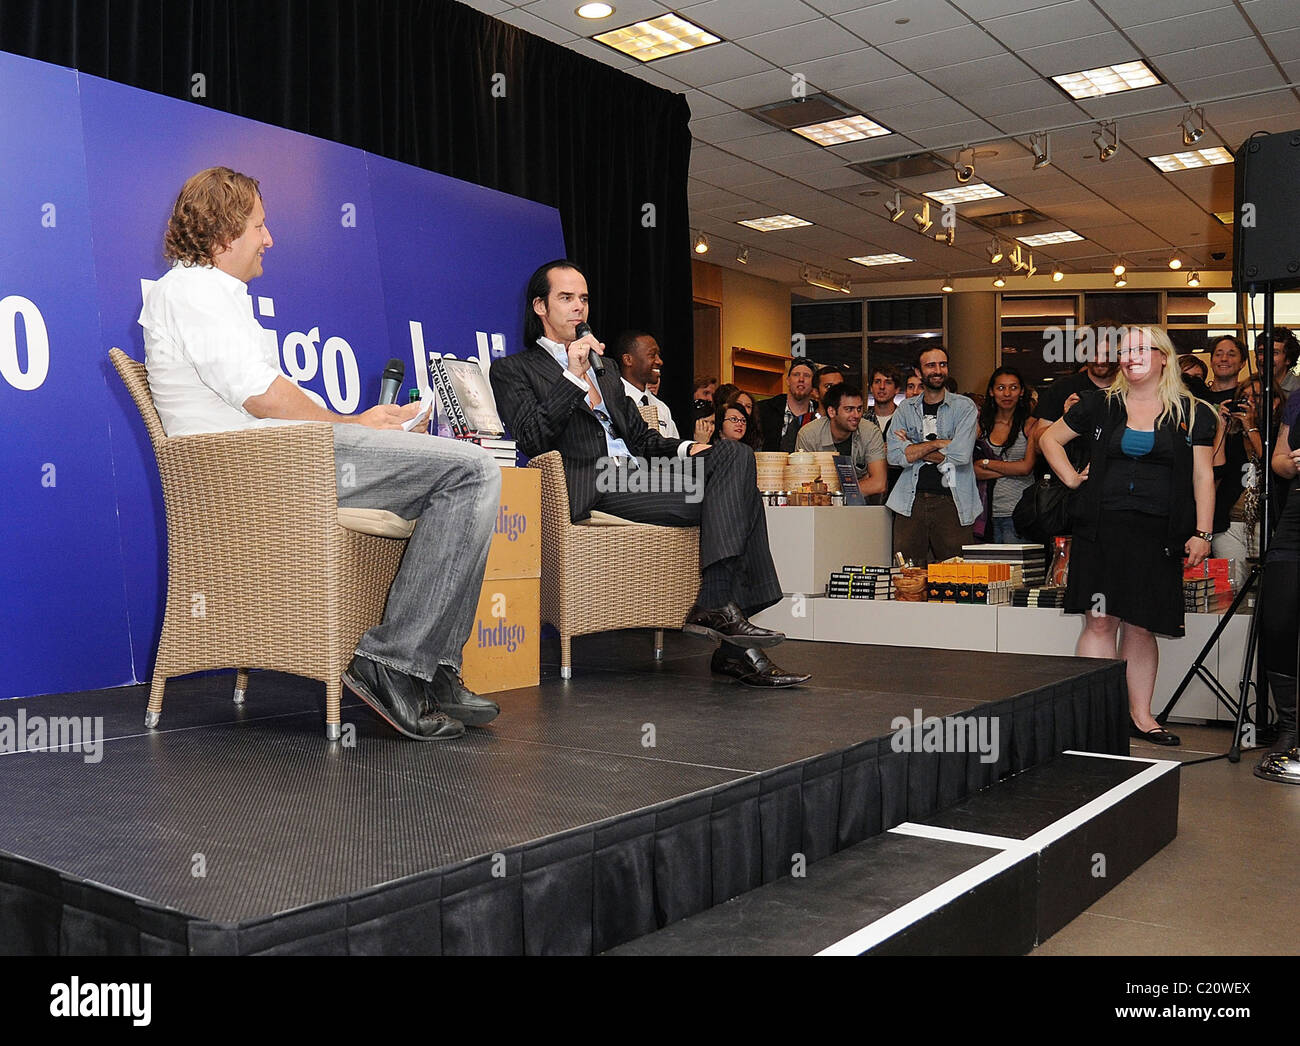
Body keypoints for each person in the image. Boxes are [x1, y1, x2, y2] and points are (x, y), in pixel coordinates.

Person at [140, 167, 501, 741]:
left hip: (279, 457)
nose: (270, 238)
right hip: (261, 470)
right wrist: (355, 424)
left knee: (465, 474)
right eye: (259, 225)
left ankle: (429, 666)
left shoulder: (215, 295)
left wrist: (369, 426)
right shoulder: (193, 290)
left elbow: (270, 396)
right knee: (472, 470)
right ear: (222, 236)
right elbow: (262, 397)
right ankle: (394, 663)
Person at [490, 259, 809, 688]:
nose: (578, 308)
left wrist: (687, 447)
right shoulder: (515, 369)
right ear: (540, 307)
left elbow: (641, 438)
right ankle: (730, 639)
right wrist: (571, 374)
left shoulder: (605, 372)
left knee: (734, 457)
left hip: (641, 475)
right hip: (595, 482)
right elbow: (532, 437)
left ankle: (717, 611)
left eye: (583, 299)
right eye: (565, 298)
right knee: (741, 499)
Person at [1039, 325, 1222, 748]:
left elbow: (1202, 476)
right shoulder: (1099, 405)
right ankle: (1094, 717)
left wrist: (1203, 532)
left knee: (1141, 626)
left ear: (1163, 357)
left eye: (1140, 349)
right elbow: (1049, 438)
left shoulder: (1193, 412)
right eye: (1125, 350)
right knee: (1100, 620)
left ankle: (1140, 716)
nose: (1129, 357)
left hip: (1158, 532)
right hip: (1101, 529)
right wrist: (1070, 477)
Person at [886, 345, 979, 566]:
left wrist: (914, 447)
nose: (938, 370)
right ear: (918, 372)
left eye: (942, 364)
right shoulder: (905, 409)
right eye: (930, 365)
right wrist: (937, 444)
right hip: (910, 501)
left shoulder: (964, 407)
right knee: (907, 575)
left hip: (953, 500)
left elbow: (961, 456)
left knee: (957, 578)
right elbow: (895, 456)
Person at [1257, 388, 1300, 771]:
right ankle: (1290, 727)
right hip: (1295, 516)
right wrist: (1294, 463)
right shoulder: (1299, 397)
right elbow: (1279, 462)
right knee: (1280, 620)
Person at [974, 367, 1039, 544]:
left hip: (1019, 513)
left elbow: (1026, 468)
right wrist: (1013, 467)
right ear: (991, 391)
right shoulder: (981, 425)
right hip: (985, 515)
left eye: (1013, 387)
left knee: (1016, 572)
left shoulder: (1031, 425)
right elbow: (972, 469)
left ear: (1022, 391)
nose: (1007, 393)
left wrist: (986, 463)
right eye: (1001, 388)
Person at [795, 383, 887, 502]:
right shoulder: (808, 435)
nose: (857, 415)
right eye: (849, 409)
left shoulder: (870, 432)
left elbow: (879, 484)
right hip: (818, 509)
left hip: (862, 507)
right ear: (832, 412)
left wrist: (831, 492)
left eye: (859, 409)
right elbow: (803, 487)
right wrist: (862, 482)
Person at [616, 329, 679, 438]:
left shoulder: (661, 408)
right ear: (628, 360)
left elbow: (673, 451)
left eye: (658, 355)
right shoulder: (613, 402)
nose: (659, 361)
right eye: (652, 355)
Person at [756, 359, 816, 452]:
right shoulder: (764, 410)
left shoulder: (821, 413)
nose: (801, 379)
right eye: (796, 375)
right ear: (788, 381)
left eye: (807, 376)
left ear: (814, 383)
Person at [868, 365, 904, 495]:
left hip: (900, 489)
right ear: (871, 387)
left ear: (897, 389)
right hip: (868, 491)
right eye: (877, 382)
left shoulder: (906, 420)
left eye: (888, 382)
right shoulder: (860, 421)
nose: (882, 387)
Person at [712, 384, 763, 450]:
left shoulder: (746, 450)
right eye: (734, 419)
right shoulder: (709, 445)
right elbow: (699, 460)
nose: (740, 424)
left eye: (743, 421)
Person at [1256, 327, 1300, 396]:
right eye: (1261, 352)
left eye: (1273, 353)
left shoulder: (1297, 390)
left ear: (1288, 359)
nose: (1265, 358)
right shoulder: (1249, 388)